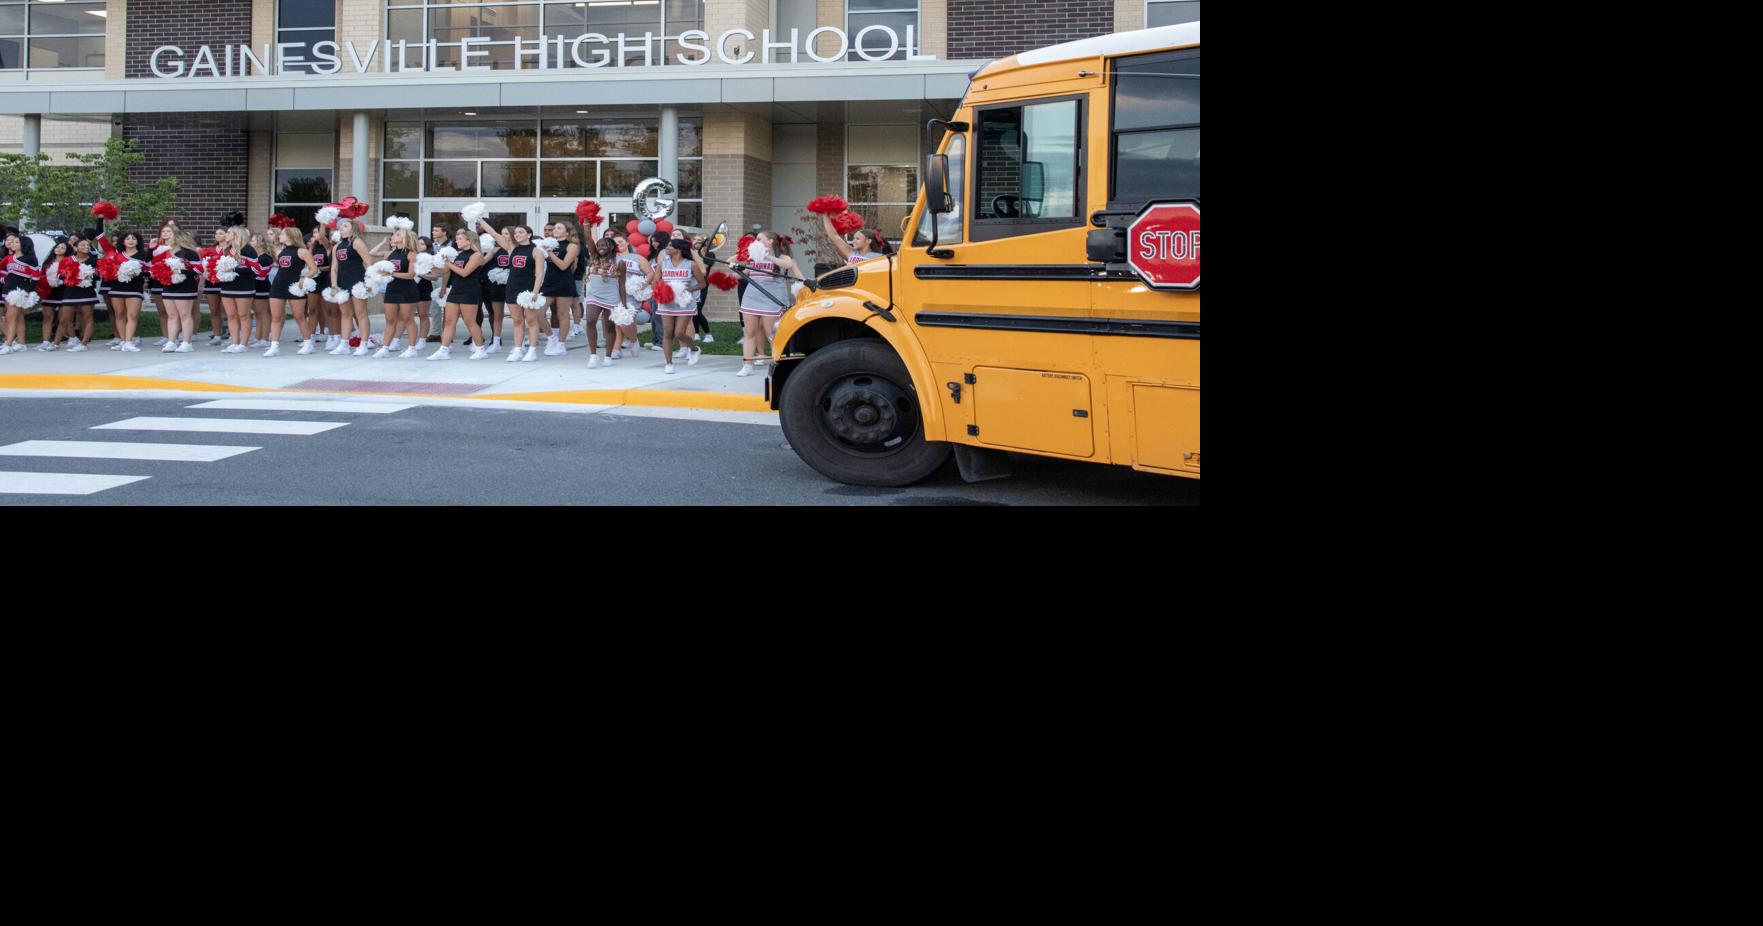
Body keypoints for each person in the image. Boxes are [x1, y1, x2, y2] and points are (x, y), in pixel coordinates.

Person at [734, 230, 801, 377]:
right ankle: (747, 365)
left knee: (772, 334)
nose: (755, 241)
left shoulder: (781, 256)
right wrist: (740, 257)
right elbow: (734, 262)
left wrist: (768, 256)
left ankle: (779, 365)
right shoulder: (752, 257)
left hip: (772, 298)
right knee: (749, 333)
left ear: (770, 241)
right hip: (752, 297)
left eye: (759, 239)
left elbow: (788, 264)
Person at [477, 220, 545, 362]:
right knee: (517, 320)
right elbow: (494, 234)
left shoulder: (536, 251)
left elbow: (539, 274)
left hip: (528, 289)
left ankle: (532, 350)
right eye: (516, 232)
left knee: (531, 320)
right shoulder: (511, 248)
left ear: (529, 235)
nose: (517, 234)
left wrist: (535, 291)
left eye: (521, 232)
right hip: (512, 288)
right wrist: (480, 219)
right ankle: (518, 350)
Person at [427, 228, 490, 361]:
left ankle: (480, 349)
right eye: (457, 238)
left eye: (460, 238)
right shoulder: (459, 254)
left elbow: (464, 272)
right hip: (456, 290)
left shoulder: (477, 255)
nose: (457, 240)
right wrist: (429, 264)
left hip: (470, 290)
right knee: (449, 321)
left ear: (469, 240)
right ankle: (443, 349)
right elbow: (444, 271)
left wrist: (448, 262)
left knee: (470, 322)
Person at [654, 237, 707, 374]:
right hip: (667, 302)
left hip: (684, 302)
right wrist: (663, 290)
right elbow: (656, 282)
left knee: (679, 333)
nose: (667, 247)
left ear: (679, 249)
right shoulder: (662, 264)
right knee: (667, 333)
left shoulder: (691, 265)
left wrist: (685, 290)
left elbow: (702, 284)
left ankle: (694, 349)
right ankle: (669, 364)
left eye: (670, 246)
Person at [97, 230, 151, 352]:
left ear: (138, 241)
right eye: (127, 239)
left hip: (135, 289)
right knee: (119, 315)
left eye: (133, 238)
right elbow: (100, 237)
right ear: (123, 241)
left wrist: (141, 273)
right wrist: (100, 218)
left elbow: (151, 270)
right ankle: (122, 341)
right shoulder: (115, 253)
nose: (130, 241)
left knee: (132, 315)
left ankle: (129, 341)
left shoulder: (144, 254)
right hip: (117, 288)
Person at [268, 226, 319, 356]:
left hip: (295, 286)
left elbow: (313, 269)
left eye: (282, 234)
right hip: (278, 285)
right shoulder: (282, 250)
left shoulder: (302, 251)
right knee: (275, 317)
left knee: (299, 316)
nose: (280, 236)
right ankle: (274, 346)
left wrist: (304, 278)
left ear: (290, 236)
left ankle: (308, 344)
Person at [374, 225, 422, 359]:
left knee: (408, 319)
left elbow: (411, 275)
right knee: (390, 319)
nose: (393, 236)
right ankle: (385, 348)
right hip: (392, 289)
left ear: (404, 238)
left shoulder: (412, 254)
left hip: (407, 289)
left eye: (397, 235)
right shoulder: (390, 253)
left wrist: (392, 273)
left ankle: (412, 348)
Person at [328, 218, 373, 356]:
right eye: (340, 226)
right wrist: (334, 285)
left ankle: (364, 344)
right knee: (345, 314)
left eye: (345, 226)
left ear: (353, 228)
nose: (341, 227)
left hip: (357, 281)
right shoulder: (337, 246)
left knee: (361, 313)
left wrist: (369, 282)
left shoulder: (357, 242)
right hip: (342, 282)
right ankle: (344, 344)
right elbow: (334, 268)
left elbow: (369, 263)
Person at [157, 225, 203, 352]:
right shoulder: (165, 253)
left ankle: (187, 342)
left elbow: (199, 269)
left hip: (185, 287)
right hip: (168, 286)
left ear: (177, 239)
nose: (167, 238)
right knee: (171, 315)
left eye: (170, 236)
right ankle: (171, 341)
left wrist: (180, 271)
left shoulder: (190, 253)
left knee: (184, 314)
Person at [581, 236, 625, 368]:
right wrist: (587, 222)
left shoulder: (619, 262)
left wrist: (624, 304)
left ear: (611, 247)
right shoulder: (594, 258)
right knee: (590, 320)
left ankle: (608, 356)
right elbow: (588, 239)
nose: (600, 247)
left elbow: (622, 284)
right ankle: (593, 356)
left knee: (609, 327)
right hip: (593, 296)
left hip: (611, 297)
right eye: (599, 245)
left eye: (604, 245)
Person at [541, 221, 580, 356]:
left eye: (559, 228)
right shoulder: (550, 244)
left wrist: (550, 253)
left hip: (564, 282)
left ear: (567, 232)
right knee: (538, 312)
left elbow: (563, 266)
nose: (555, 230)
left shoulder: (572, 246)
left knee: (562, 314)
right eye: (555, 228)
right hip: (548, 282)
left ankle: (561, 344)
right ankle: (551, 338)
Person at [216, 226, 256, 353]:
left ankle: (243, 344)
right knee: (231, 315)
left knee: (243, 315)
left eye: (228, 232)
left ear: (236, 235)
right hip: (227, 286)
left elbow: (256, 270)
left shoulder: (248, 250)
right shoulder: (227, 250)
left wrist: (235, 269)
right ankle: (234, 343)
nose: (226, 234)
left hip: (244, 287)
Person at [1, 231, 43, 354]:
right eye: (12, 242)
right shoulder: (9, 258)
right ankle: (21, 343)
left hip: (19, 292)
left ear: (23, 244)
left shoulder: (30, 259)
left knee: (10, 316)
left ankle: (8, 344)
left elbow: (35, 278)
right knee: (18, 317)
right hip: (7, 289)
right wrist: (3, 278)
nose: (12, 244)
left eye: (16, 242)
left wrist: (27, 292)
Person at [62, 236, 100, 352]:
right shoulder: (67, 260)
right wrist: (70, 276)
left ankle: (84, 343)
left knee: (88, 317)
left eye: (87, 245)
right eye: (82, 245)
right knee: (66, 317)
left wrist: (86, 275)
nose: (86, 247)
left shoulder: (94, 260)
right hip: (70, 291)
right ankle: (73, 338)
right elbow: (60, 275)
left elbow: (98, 276)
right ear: (75, 247)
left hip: (86, 291)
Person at [37, 237, 70, 351]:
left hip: (63, 291)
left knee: (62, 319)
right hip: (49, 291)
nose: (59, 249)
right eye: (57, 247)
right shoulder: (47, 263)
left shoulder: (69, 262)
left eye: (63, 248)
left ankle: (56, 343)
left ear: (67, 250)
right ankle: (45, 341)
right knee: (47, 317)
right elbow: (41, 276)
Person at [821, 215, 890, 264]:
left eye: (857, 239)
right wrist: (825, 215)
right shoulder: (851, 252)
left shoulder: (879, 258)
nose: (853, 241)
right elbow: (834, 236)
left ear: (868, 241)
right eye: (853, 238)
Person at [248, 231, 276, 348]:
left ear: (259, 243)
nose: (250, 243)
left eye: (253, 240)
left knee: (263, 313)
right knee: (257, 314)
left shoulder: (265, 257)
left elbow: (261, 273)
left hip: (262, 286)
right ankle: (258, 337)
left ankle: (265, 339)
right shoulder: (255, 256)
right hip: (255, 286)